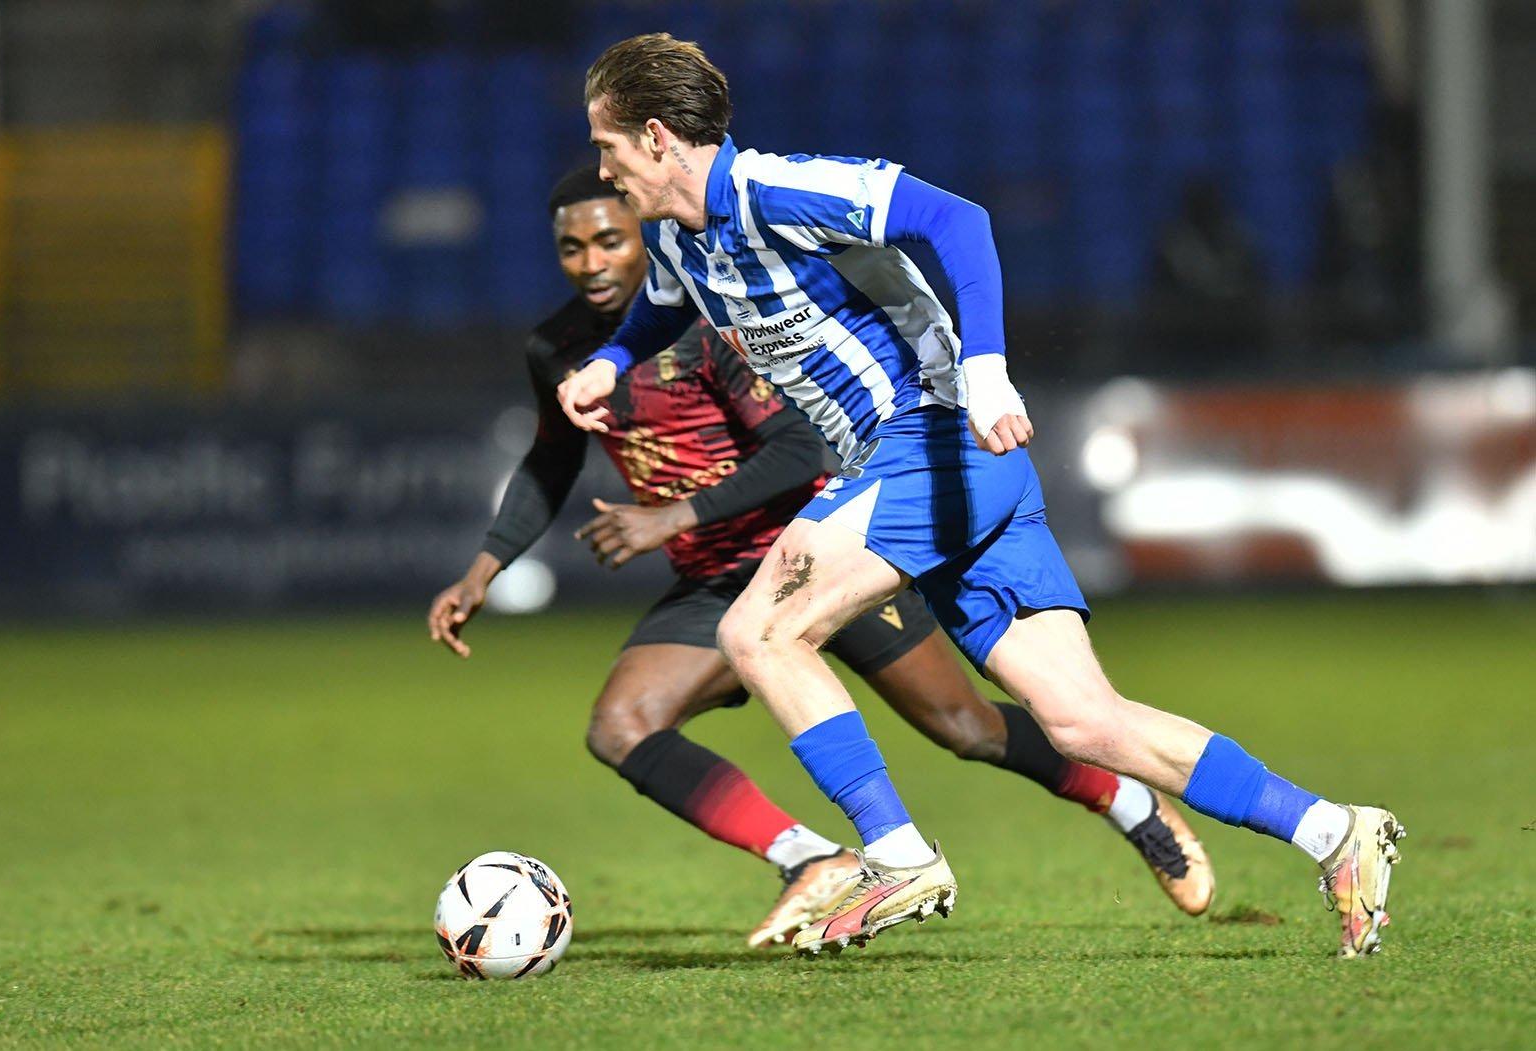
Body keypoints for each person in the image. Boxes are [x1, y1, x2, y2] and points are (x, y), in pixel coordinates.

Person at [556, 34, 1403, 959]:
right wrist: (609, 361)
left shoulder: (776, 189)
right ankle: (1335, 831)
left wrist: (988, 371)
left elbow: (956, 220)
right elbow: (665, 305)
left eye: (605, 146)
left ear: (653, 137)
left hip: (931, 435)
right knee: (1084, 721)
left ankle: (896, 853)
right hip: (946, 473)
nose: (600, 166)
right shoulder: (681, 235)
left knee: (758, 630)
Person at [429, 165, 1215, 949]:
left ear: (645, 231)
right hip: (716, 581)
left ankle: (1128, 802)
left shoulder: (713, 321)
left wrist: (672, 513)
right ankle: (810, 859)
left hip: (823, 549)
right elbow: (549, 458)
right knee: (621, 725)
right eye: (572, 247)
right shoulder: (558, 348)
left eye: (609, 239)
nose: (592, 261)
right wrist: (485, 566)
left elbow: (799, 444)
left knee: (964, 726)